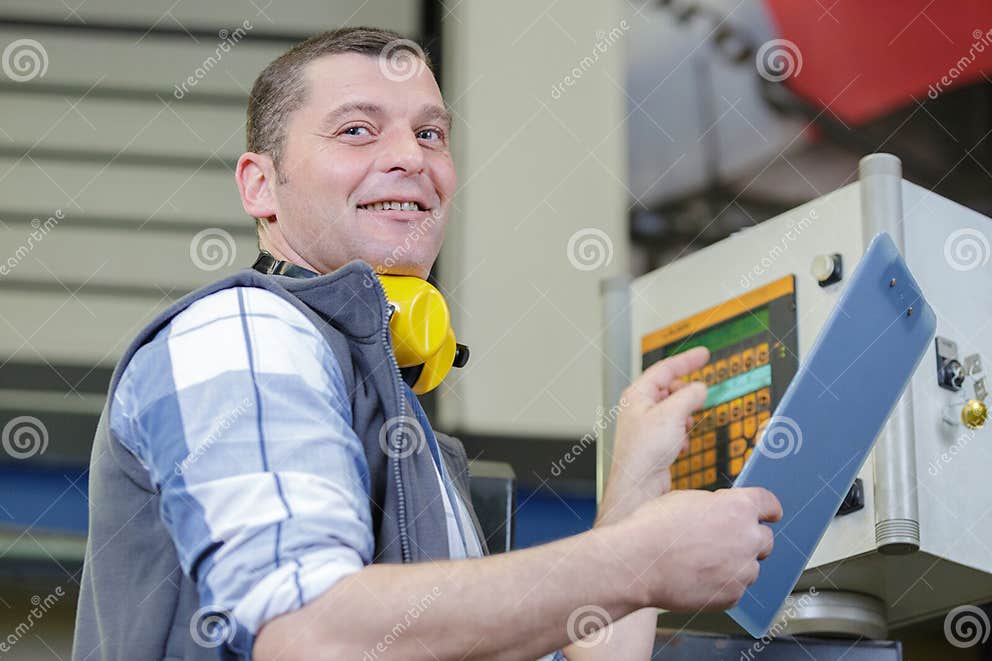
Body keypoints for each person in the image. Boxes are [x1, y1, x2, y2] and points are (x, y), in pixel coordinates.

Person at [72, 27, 782, 661]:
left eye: (431, 134)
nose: (411, 157)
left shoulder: (402, 428)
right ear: (261, 185)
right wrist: (634, 559)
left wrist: (637, 487)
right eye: (357, 130)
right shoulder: (246, 334)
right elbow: (309, 631)